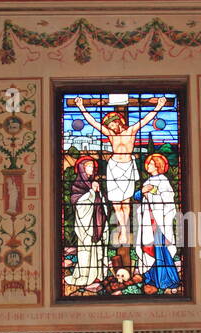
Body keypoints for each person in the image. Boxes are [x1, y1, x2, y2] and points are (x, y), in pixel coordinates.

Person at [71, 96, 167, 245]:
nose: (110, 128)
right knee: (116, 202)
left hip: (128, 166)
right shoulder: (110, 135)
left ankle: (125, 227)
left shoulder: (132, 131)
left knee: (126, 201)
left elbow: (146, 120)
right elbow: (94, 123)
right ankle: (123, 230)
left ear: (117, 121)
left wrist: (159, 106)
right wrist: (81, 107)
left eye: (111, 125)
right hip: (114, 167)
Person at [67, 156, 108, 287]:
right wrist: (91, 192)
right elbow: (78, 203)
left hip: (97, 223)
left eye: (92, 166)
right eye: (89, 166)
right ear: (82, 169)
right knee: (86, 249)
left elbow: (102, 203)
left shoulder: (93, 183)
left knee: (97, 248)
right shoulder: (78, 184)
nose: (92, 169)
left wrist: (98, 193)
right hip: (86, 226)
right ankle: (86, 275)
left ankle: (97, 274)